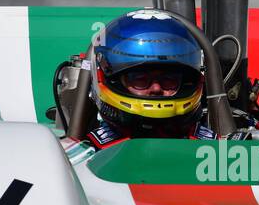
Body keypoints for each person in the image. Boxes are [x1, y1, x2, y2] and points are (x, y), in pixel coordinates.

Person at [81, 10, 209, 148]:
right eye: (140, 79)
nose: (156, 88)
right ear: (115, 81)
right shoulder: (88, 151)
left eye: (168, 79)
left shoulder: (214, 148)